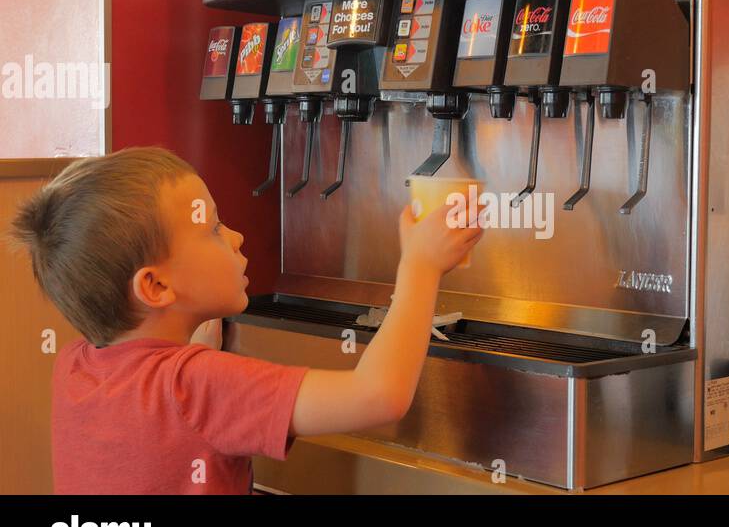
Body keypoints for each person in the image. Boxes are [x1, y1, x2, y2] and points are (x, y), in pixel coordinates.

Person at [8, 146, 483, 494]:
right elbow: (379, 397)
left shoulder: (74, 367)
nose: (234, 236)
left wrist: (195, 343)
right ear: (155, 287)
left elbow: (156, 429)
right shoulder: (199, 386)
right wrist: (420, 267)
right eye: (213, 228)